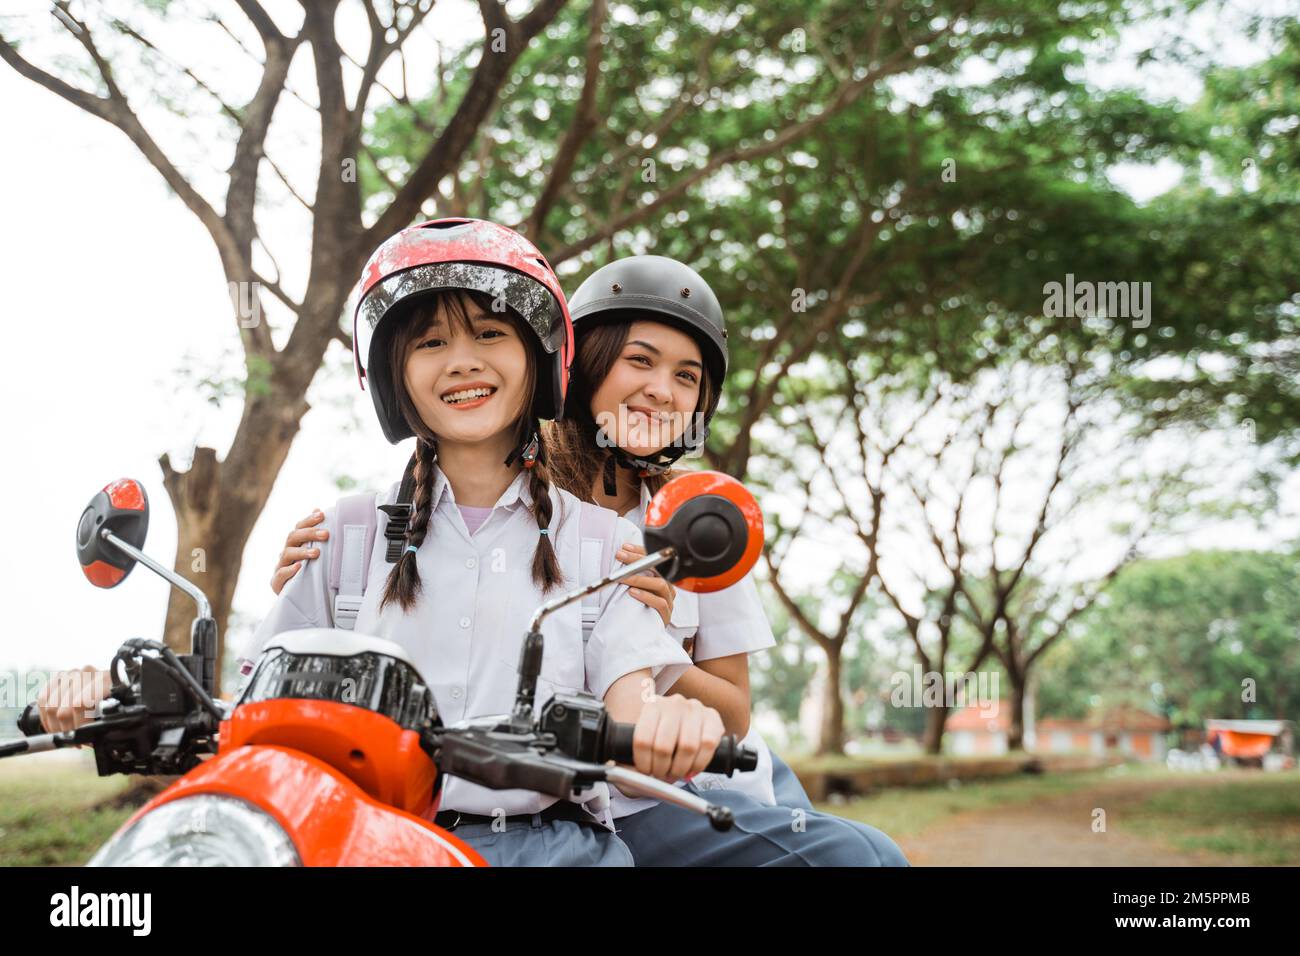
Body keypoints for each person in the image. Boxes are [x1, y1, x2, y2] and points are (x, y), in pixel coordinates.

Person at [36, 219, 721, 868]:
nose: (461, 362)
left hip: (551, 847)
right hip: (369, 838)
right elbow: (253, 706)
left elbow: (633, 701)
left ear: (538, 355)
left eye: (487, 334)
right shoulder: (344, 534)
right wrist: (113, 696)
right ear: (395, 375)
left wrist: (671, 722)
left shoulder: (604, 542)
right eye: (429, 343)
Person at [273, 252, 907, 866]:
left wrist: (649, 653)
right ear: (579, 366)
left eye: (687, 377)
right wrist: (322, 573)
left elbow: (727, 711)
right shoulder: (458, 498)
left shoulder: (695, 519)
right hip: (542, 801)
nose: (662, 391)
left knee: (859, 855)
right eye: (640, 361)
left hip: (668, 787)